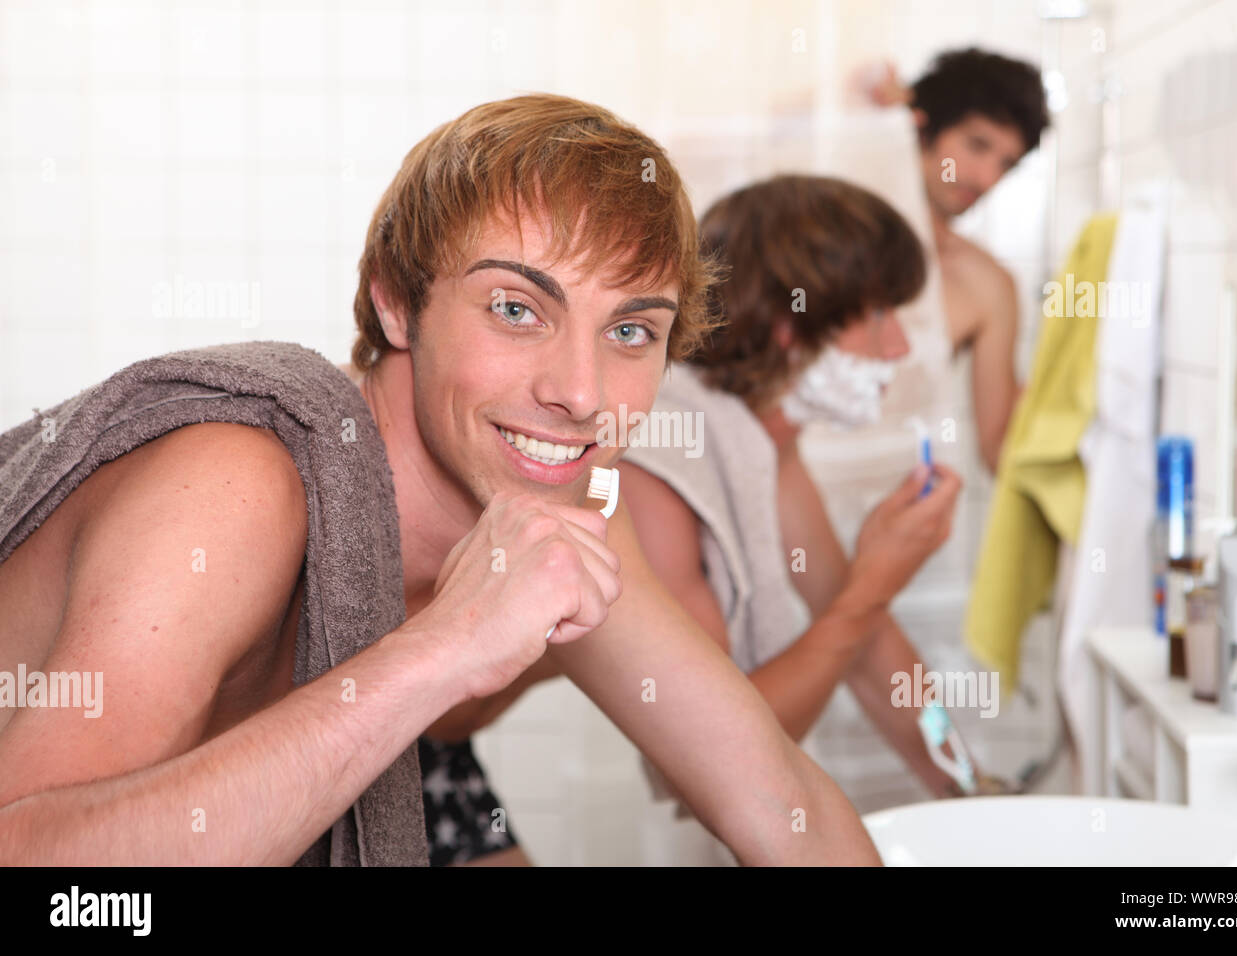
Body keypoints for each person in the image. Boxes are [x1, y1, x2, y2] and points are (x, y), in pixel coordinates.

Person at [0, 95, 882, 866]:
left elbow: (784, 809)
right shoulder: (235, 487)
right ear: (395, 302)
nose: (579, 393)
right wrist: (444, 650)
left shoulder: (556, 522)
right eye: (515, 309)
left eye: (630, 332)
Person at [618, 175, 1014, 805]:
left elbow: (866, 640)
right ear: (788, 324)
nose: (902, 344)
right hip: (430, 746)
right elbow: (699, 756)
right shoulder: (655, 464)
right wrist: (875, 580)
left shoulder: (768, 442)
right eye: (880, 314)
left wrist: (973, 792)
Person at [857, 48, 1050, 472]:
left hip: (907, 512)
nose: (987, 178)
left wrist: (1070, 382)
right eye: (977, 144)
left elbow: (999, 451)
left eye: (1006, 163)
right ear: (923, 129)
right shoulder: (830, 233)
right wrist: (855, 93)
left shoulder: (989, 284)